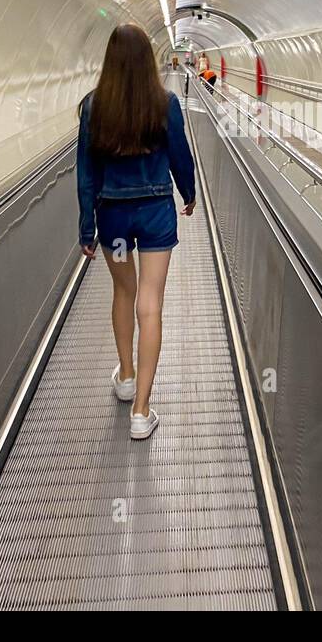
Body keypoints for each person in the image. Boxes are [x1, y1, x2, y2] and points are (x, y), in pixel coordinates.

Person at [77, 24, 196, 440]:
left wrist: (86, 226)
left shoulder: (94, 107)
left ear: (110, 60)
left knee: (124, 293)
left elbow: (86, 173)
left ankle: (125, 377)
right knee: (151, 304)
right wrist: (189, 192)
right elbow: (180, 155)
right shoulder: (165, 103)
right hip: (155, 213)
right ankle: (142, 411)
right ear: (149, 61)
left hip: (114, 217)